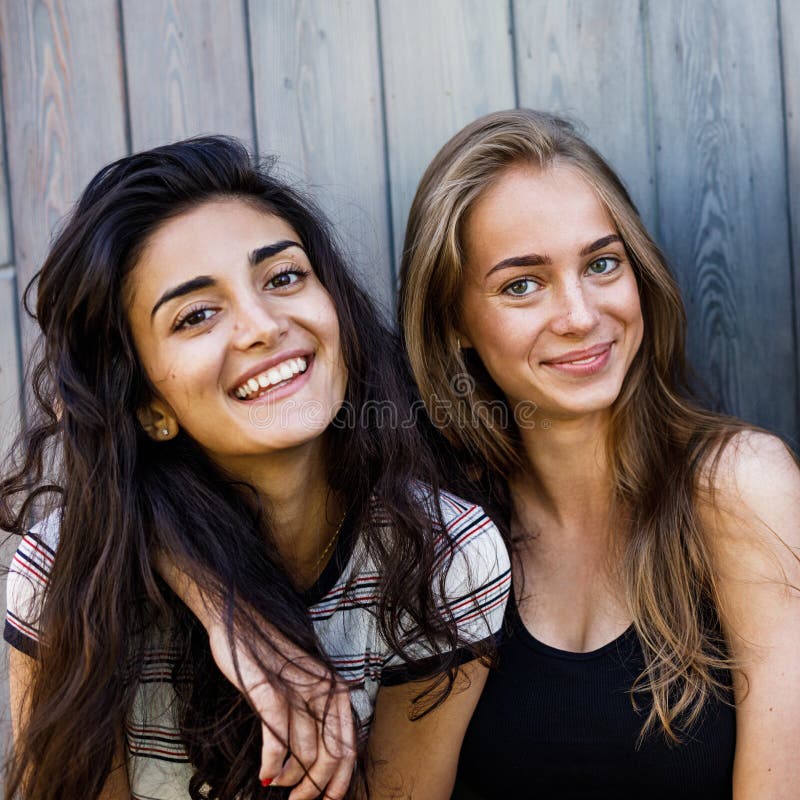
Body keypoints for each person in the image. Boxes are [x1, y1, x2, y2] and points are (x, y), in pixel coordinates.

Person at [2, 137, 510, 800]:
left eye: (283, 277)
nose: (263, 326)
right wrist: (224, 606)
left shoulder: (441, 556)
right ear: (149, 404)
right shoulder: (71, 573)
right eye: (197, 315)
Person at [398, 109, 800, 798]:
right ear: (453, 322)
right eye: (522, 284)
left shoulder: (740, 486)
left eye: (601, 264)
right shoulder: (438, 533)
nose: (581, 316)